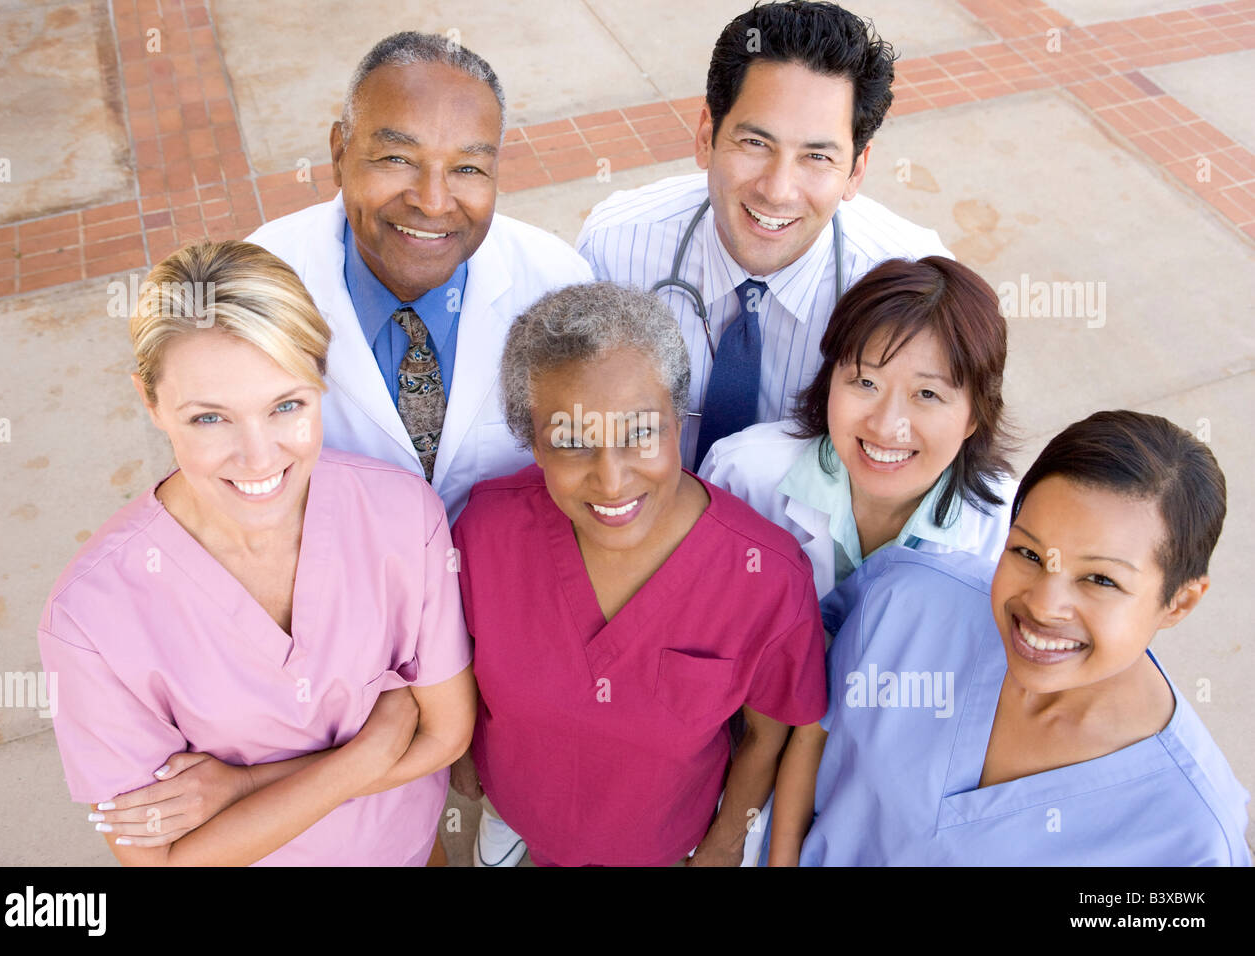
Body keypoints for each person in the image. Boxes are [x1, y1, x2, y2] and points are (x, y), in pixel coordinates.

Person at [37, 240, 476, 865]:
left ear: (321, 379)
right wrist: (368, 753)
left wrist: (243, 786)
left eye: (286, 406)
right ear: (150, 401)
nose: (259, 457)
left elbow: (447, 732)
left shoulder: (403, 516)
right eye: (210, 418)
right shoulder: (90, 619)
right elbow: (161, 861)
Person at [447, 282, 827, 866]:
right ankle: (511, 826)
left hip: (656, 842)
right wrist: (465, 756)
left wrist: (725, 841)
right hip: (516, 796)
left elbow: (766, 734)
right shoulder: (486, 531)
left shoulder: (767, 578)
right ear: (533, 445)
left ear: (680, 418)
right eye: (572, 442)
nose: (612, 478)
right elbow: (462, 666)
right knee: (510, 823)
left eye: (641, 432)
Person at [768, 410, 1251, 866]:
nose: (1043, 605)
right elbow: (810, 736)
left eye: (1101, 580)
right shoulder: (906, 600)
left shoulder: (1193, 835)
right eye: (1028, 553)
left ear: (1180, 602)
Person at [576, 1, 951, 469]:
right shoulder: (616, 247)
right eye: (755, 143)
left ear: (856, 170)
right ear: (705, 135)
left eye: (817, 157)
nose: (777, 190)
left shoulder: (914, 287)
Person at [249, 32, 594, 521]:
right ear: (339, 153)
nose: (432, 201)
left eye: (468, 168)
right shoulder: (257, 285)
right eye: (397, 159)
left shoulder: (556, 281)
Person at [700, 255, 1015, 603]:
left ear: (976, 414)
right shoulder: (740, 475)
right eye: (866, 382)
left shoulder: (1009, 533)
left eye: (927, 394)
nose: (885, 426)